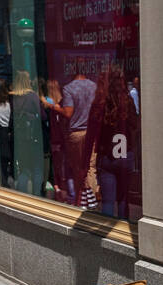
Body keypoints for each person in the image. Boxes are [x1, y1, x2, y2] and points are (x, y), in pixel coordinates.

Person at [87, 69, 138, 220]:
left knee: (108, 201)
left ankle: (106, 236)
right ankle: (122, 230)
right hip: (125, 155)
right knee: (123, 200)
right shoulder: (128, 102)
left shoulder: (100, 104)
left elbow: (92, 134)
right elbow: (135, 125)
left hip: (107, 157)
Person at [46, 63, 98, 207]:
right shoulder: (94, 86)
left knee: (77, 169)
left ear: (73, 71)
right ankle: (92, 201)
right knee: (91, 168)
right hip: (92, 132)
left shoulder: (69, 88)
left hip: (75, 134)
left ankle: (82, 202)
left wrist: (55, 107)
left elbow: (68, 113)